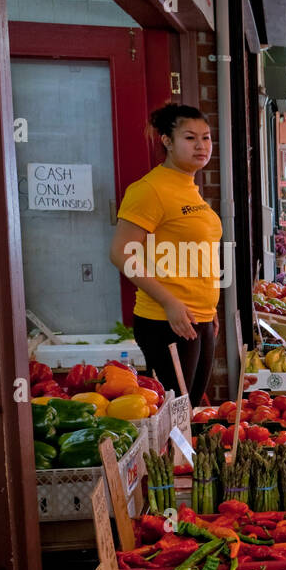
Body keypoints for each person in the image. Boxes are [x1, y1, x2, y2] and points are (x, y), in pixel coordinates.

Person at [109, 103, 222, 404]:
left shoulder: (188, 188)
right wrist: (170, 302)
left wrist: (209, 311)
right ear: (167, 142)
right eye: (190, 137)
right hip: (166, 320)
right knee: (174, 416)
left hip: (200, 318)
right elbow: (121, 254)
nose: (201, 146)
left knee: (190, 413)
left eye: (207, 137)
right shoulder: (149, 189)